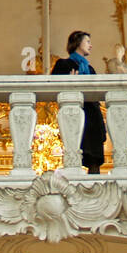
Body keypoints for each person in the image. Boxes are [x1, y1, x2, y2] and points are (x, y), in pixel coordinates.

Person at [52, 30, 105, 174]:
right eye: (88, 41)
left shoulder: (90, 68)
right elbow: (52, 86)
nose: (91, 45)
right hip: (74, 116)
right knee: (73, 155)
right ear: (77, 42)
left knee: (94, 158)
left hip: (92, 117)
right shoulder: (63, 64)